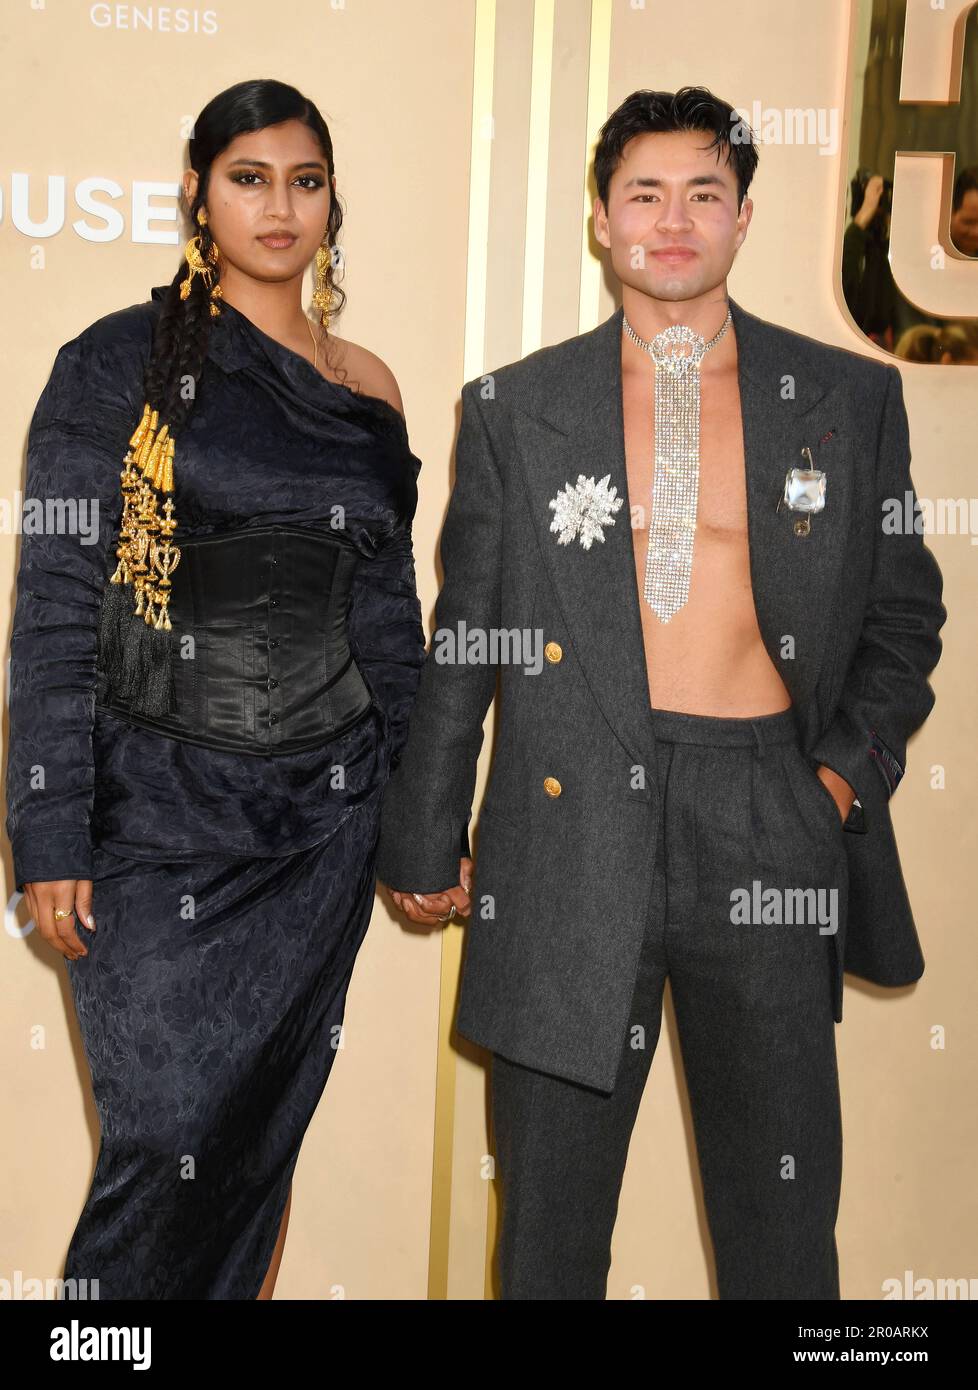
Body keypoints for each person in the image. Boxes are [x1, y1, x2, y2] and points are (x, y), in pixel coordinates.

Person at [375, 86, 946, 1299]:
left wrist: (837, 780)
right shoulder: (516, 408)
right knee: (547, 1240)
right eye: (645, 193)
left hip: (769, 820)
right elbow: (468, 633)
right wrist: (425, 832)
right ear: (599, 217)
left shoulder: (845, 402)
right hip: (565, 826)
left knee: (784, 1234)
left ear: (744, 218)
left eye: (704, 193)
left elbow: (905, 616)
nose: (673, 220)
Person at [4, 78, 463, 1300]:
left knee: (255, 1144)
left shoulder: (370, 389)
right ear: (200, 197)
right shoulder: (115, 361)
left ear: (332, 203)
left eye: (304, 181)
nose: (279, 205)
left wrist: (425, 826)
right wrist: (48, 823)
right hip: (152, 820)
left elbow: (388, 632)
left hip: (321, 826)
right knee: (162, 1142)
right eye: (248, 178)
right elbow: (55, 602)